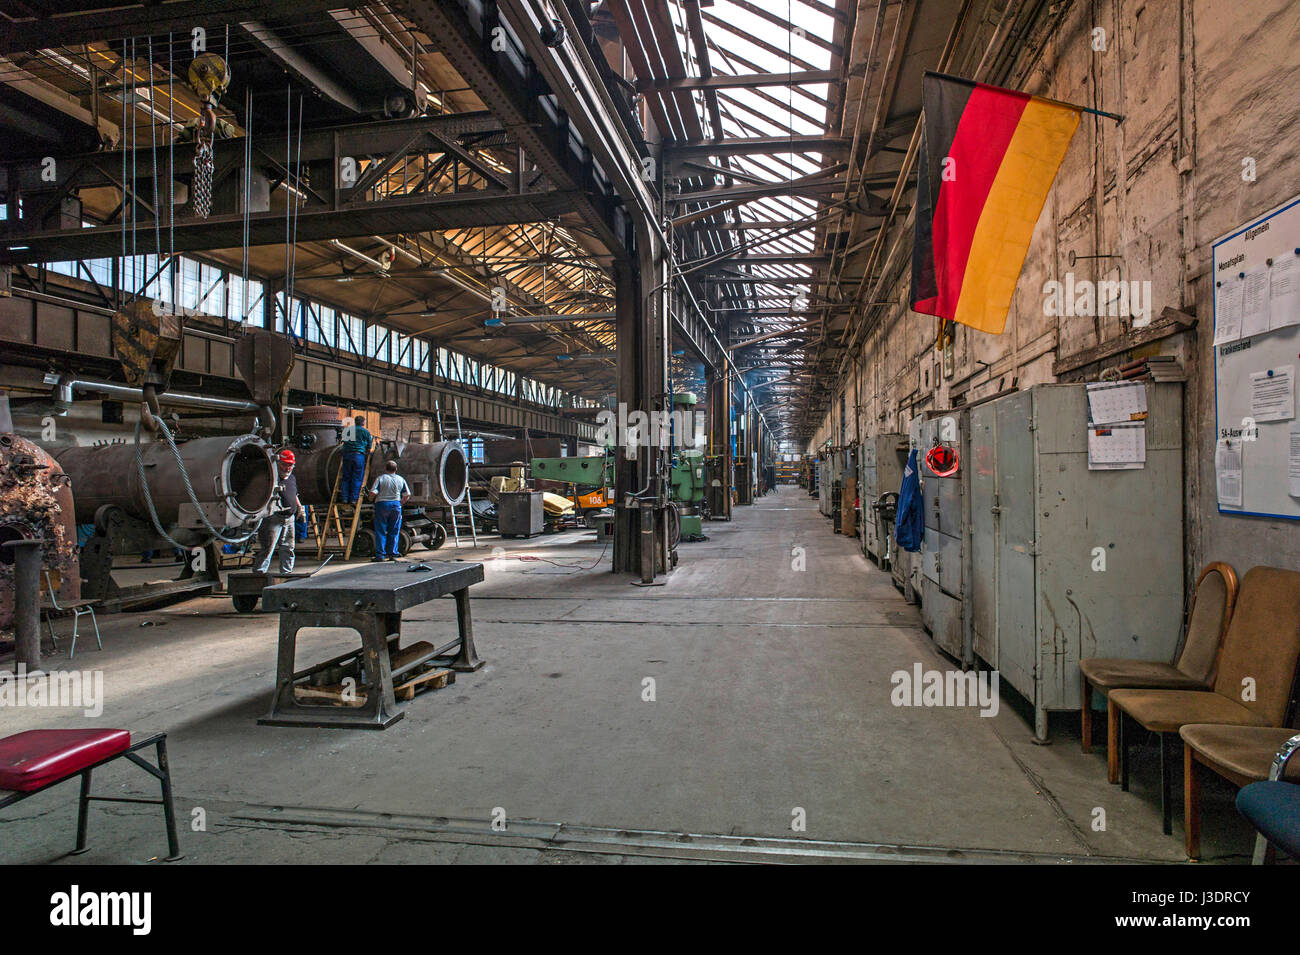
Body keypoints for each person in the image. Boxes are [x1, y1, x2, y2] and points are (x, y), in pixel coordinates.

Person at [255, 448, 305, 574]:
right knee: (267, 549)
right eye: (284, 465)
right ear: (277, 464)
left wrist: (300, 507)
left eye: (290, 465)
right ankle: (259, 576)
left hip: (289, 519)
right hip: (273, 518)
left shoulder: (291, 478)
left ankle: (286, 575)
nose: (287, 468)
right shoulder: (271, 478)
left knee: (288, 548)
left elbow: (294, 494)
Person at [368, 459, 410, 561]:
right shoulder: (401, 479)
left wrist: (370, 499)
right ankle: (393, 554)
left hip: (382, 505)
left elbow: (373, 492)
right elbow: (407, 495)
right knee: (394, 530)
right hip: (396, 505)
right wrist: (400, 503)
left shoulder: (381, 478)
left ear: (385, 468)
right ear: (396, 469)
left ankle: (380, 555)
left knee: (381, 530)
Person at [340, 414, 372, 504]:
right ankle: (353, 499)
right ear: (363, 423)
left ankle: (344, 498)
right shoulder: (366, 432)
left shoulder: (347, 430)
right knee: (357, 477)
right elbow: (369, 447)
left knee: (346, 477)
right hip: (358, 456)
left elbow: (343, 442)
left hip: (346, 455)